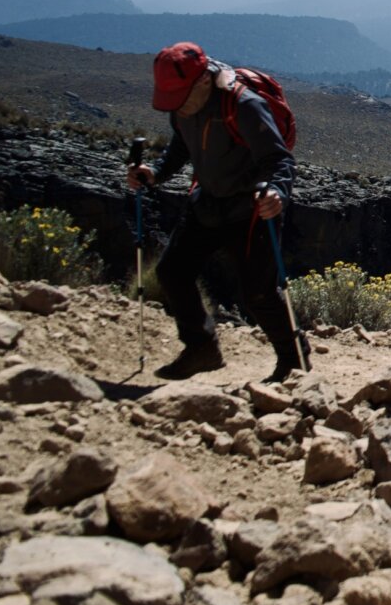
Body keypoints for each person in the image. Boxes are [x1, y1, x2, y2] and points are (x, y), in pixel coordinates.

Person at [126, 42, 301, 382]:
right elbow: (181, 146)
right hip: (207, 201)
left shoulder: (245, 106)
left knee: (258, 293)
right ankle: (202, 348)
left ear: (204, 81)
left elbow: (278, 159)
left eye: (181, 99)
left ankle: (293, 363)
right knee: (173, 271)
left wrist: (278, 193)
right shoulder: (181, 103)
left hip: (251, 208)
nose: (178, 109)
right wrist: (156, 173)